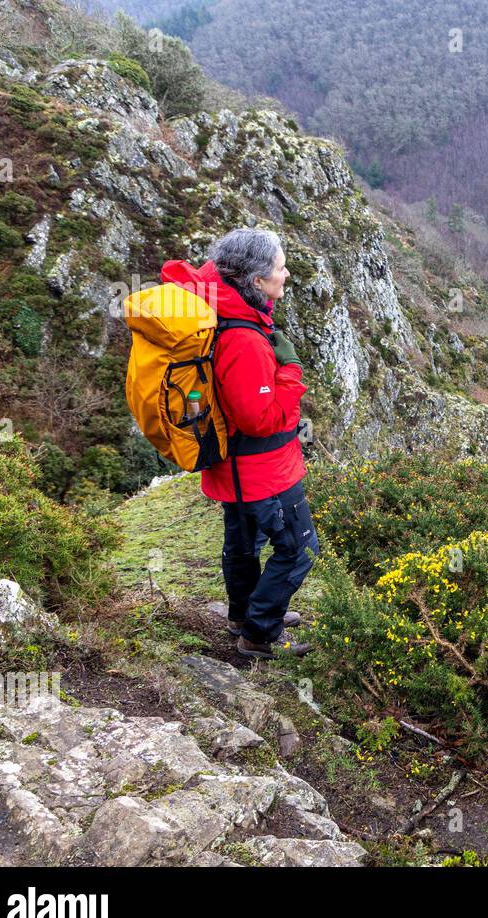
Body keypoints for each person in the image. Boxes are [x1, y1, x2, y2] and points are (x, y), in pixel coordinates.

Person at [161, 227, 318, 658]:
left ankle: (241, 615)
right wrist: (290, 371)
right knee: (299, 547)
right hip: (262, 471)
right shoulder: (243, 339)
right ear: (255, 282)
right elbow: (260, 418)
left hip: (235, 468)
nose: (286, 274)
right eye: (280, 268)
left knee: (245, 542)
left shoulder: (223, 307)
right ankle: (259, 635)